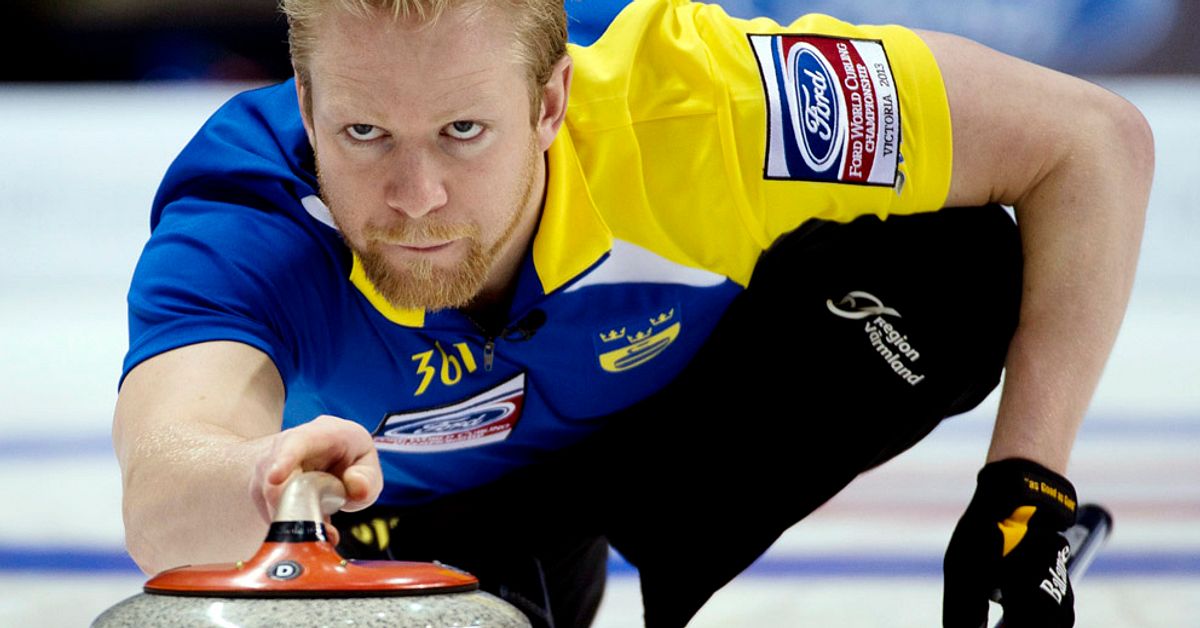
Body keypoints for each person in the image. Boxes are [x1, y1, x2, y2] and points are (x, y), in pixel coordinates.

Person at [112, 0, 1153, 626]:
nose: (416, 196)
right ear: (305, 103)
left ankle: (659, 526)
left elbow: (1092, 142)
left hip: (674, 432)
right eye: (365, 133)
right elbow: (164, 489)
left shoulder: (708, 104)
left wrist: (1028, 486)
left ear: (551, 103)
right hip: (420, 519)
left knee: (959, 264)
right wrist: (262, 479)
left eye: (465, 130)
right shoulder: (248, 215)